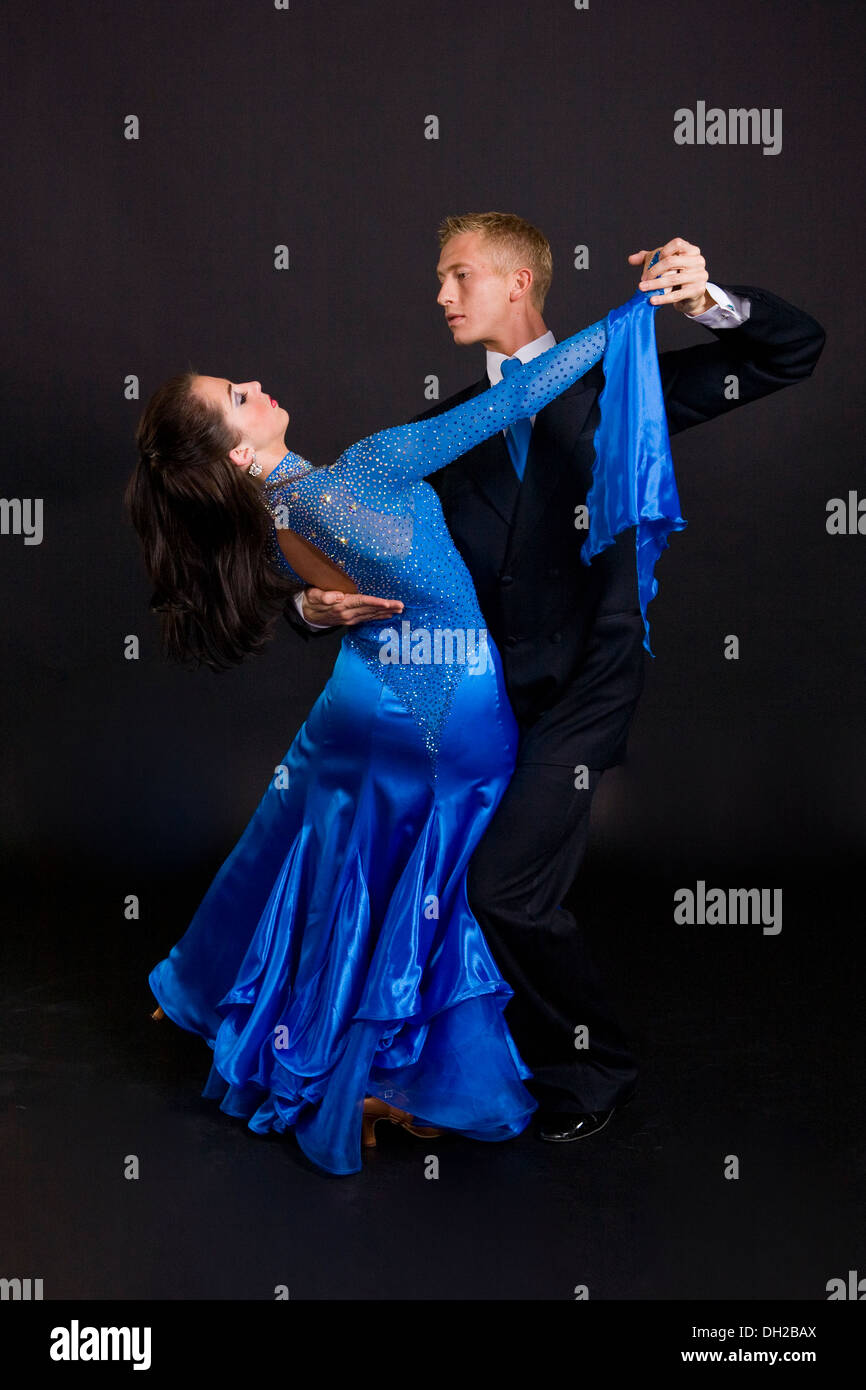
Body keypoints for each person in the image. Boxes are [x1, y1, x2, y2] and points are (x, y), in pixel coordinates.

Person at [126, 265, 685, 1176]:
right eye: (237, 395)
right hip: (451, 711)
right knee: (442, 882)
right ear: (233, 451)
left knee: (359, 870)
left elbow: (326, 591)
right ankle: (412, 1072)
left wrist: (311, 610)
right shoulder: (370, 468)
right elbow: (520, 396)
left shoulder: (270, 509)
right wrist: (629, 318)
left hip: (367, 710)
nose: (256, 385)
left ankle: (313, 1034)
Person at [284, 215, 827, 1143]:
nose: (442, 296)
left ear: (519, 284)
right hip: (482, 699)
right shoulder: (443, 428)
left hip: (588, 683)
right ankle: (443, 1072)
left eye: (458, 276)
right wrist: (307, 608)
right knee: (438, 880)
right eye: (440, 279)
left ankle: (596, 1067)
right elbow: (335, 533)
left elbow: (789, 355)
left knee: (504, 890)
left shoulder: (622, 379)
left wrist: (710, 300)